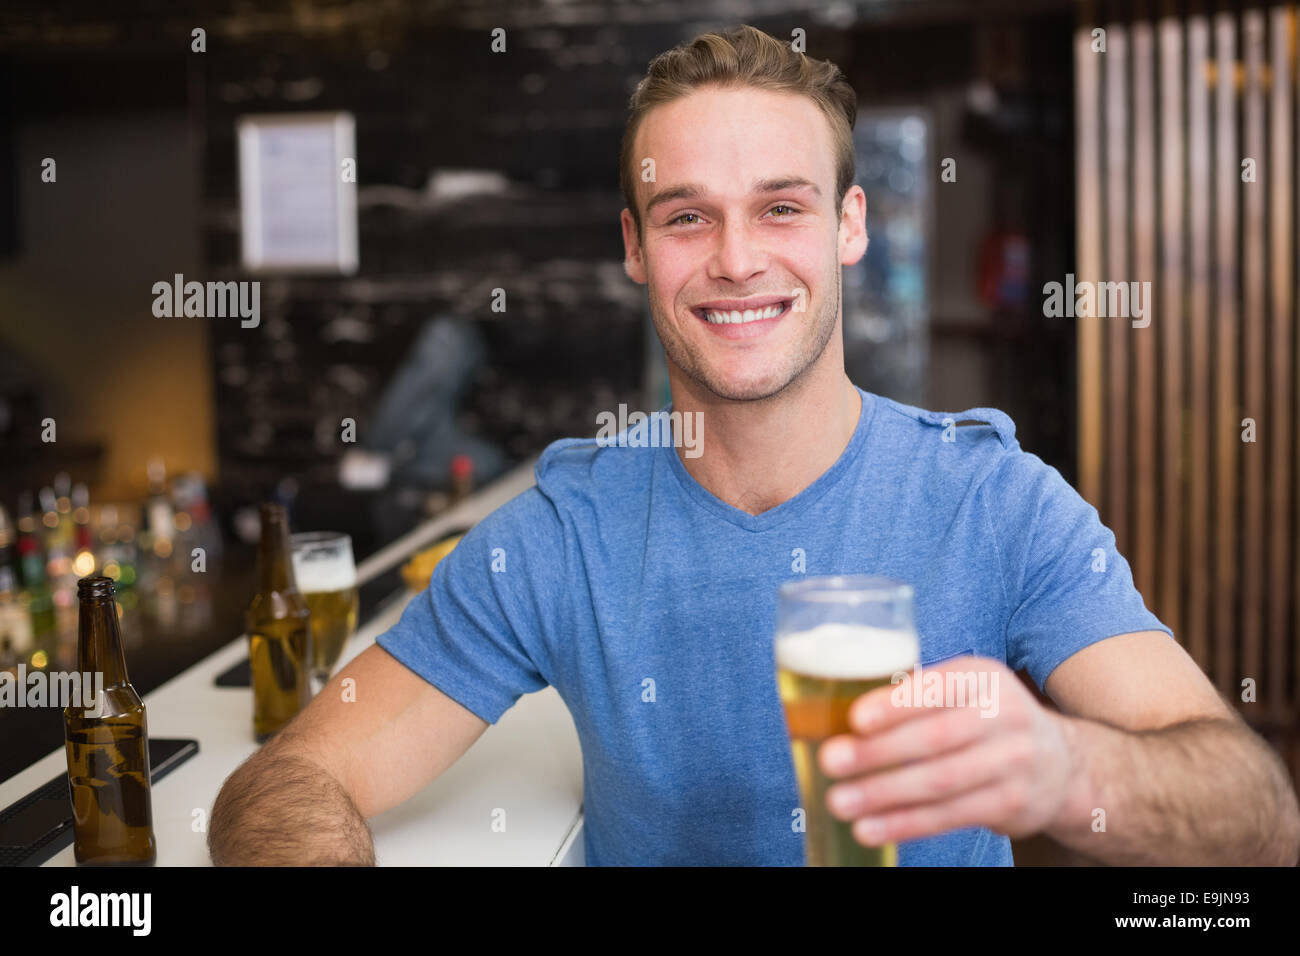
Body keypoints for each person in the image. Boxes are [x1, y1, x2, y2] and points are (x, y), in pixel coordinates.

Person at [208, 25, 1300, 866]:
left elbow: (1258, 814)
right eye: (687, 216)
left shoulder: (995, 501)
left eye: (780, 208)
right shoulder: (559, 535)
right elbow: (288, 776)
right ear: (636, 247)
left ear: (849, 225)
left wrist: (1067, 767)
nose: (735, 259)